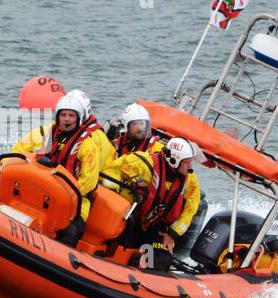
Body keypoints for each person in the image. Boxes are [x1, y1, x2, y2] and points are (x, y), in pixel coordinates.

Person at [11, 90, 104, 245]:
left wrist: (63, 195)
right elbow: (25, 151)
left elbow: (88, 182)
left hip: (74, 203)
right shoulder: (48, 133)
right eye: (63, 115)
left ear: (79, 118)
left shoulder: (88, 144)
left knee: (70, 231)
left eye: (71, 115)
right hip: (44, 191)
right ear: (57, 116)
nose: (67, 119)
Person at [101, 136, 202, 267]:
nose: (190, 166)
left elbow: (191, 208)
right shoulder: (143, 163)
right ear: (174, 160)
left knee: (161, 260)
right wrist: (113, 196)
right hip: (127, 218)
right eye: (187, 162)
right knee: (120, 242)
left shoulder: (190, 180)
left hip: (153, 226)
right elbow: (111, 171)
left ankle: (140, 268)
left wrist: (172, 234)